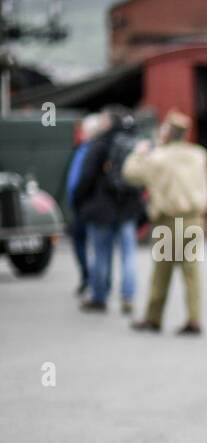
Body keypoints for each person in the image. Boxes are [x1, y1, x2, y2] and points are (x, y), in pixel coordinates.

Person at [124, 109, 207, 334]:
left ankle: (153, 318)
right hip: (194, 219)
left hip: (167, 222)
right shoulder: (199, 154)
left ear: (167, 133)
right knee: (191, 272)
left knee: (161, 272)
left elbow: (130, 174)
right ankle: (194, 319)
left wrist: (139, 152)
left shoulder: (157, 158)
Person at [74, 105, 145, 314]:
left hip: (101, 208)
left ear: (107, 123)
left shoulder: (99, 144)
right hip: (127, 208)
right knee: (129, 254)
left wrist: (80, 202)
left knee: (101, 253)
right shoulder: (133, 144)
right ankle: (128, 298)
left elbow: (86, 177)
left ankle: (99, 296)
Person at [62, 112, 106, 297]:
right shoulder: (87, 148)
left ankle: (94, 282)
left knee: (93, 244)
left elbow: (84, 179)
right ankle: (96, 282)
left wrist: (78, 198)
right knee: (95, 245)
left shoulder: (91, 149)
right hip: (86, 204)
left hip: (87, 205)